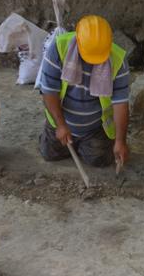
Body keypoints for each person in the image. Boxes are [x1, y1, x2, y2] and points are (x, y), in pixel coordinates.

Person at [39, 14, 131, 167]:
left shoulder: (118, 60)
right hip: (62, 120)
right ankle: (53, 134)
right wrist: (61, 125)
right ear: (78, 41)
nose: (92, 62)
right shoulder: (59, 47)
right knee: (50, 154)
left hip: (95, 127)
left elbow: (120, 104)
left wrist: (121, 141)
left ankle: (85, 144)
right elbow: (49, 91)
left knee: (99, 160)